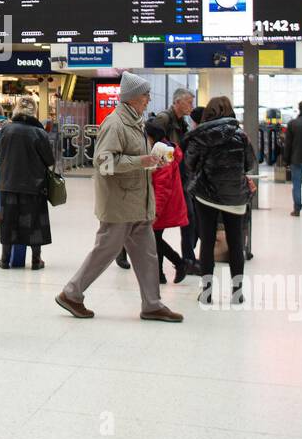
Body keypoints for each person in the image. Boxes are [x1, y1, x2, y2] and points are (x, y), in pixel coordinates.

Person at [56, 72, 183, 322]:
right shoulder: (115, 124)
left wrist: (149, 163)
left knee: (147, 255)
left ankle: (152, 304)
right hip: (119, 204)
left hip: (137, 203)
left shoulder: (136, 122)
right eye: (145, 95)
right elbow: (104, 163)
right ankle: (71, 293)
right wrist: (140, 161)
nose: (148, 99)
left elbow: (132, 161)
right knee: (105, 251)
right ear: (133, 97)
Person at [184, 95, 256, 304]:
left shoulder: (201, 136)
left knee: (206, 242)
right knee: (235, 243)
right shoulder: (241, 136)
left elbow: (190, 163)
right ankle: (237, 293)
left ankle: (206, 293)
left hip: (206, 195)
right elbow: (249, 163)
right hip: (235, 196)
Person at [0, 96, 53, 270]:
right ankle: (36, 261)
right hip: (33, 185)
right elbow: (49, 159)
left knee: (9, 221)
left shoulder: (6, 129)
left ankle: (5, 260)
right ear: (33, 111)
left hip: (9, 182)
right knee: (34, 222)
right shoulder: (39, 132)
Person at [152, 87, 199, 275]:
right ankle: (160, 268)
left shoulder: (183, 122)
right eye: (189, 102)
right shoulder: (165, 119)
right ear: (177, 102)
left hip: (179, 176)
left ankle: (188, 259)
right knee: (158, 226)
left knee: (188, 218)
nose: (191, 106)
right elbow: (155, 142)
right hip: (165, 175)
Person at [146, 118, 189, 284]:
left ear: (152, 137)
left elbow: (162, 186)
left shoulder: (163, 154)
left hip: (163, 205)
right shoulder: (166, 149)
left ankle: (179, 263)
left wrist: (156, 211)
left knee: (154, 238)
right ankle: (160, 275)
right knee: (155, 239)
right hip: (165, 203)